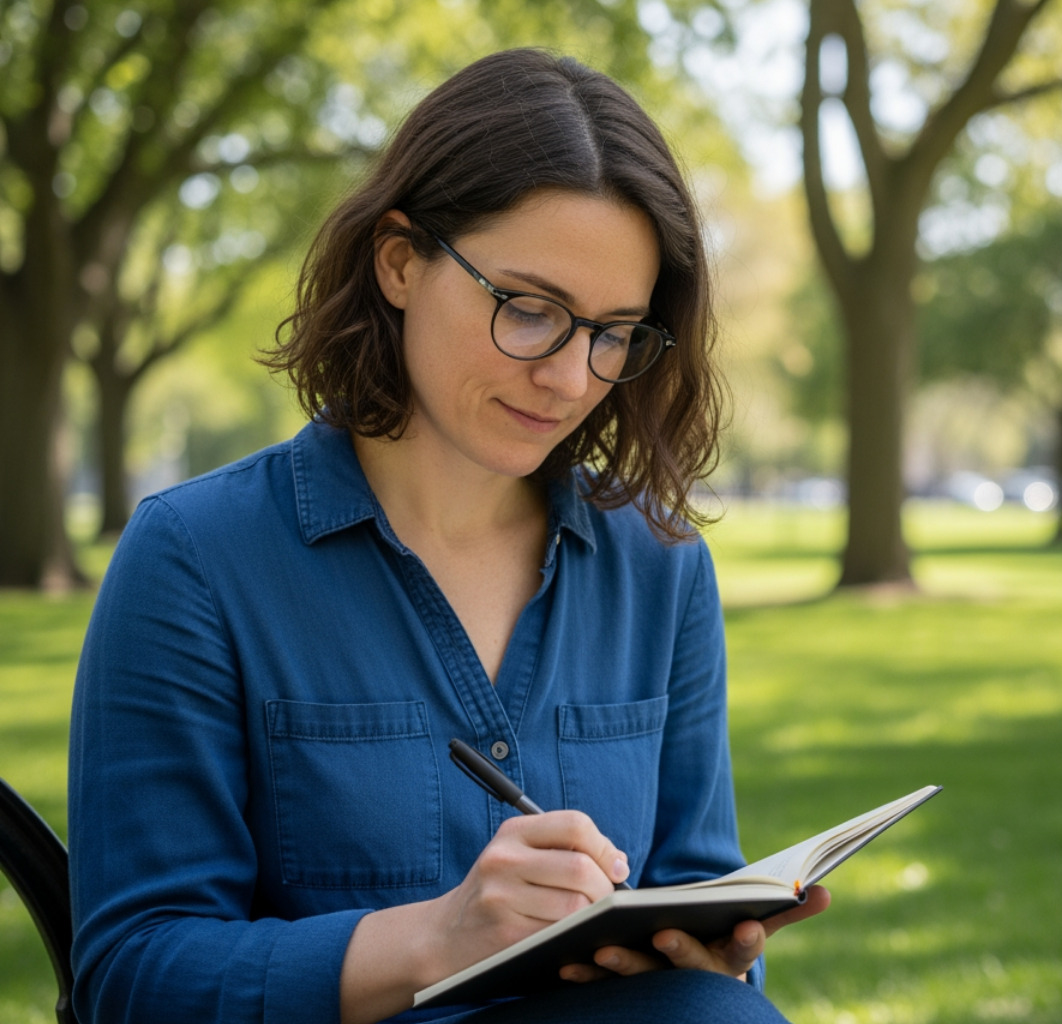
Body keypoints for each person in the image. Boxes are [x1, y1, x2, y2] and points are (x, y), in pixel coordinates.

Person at [67, 48, 828, 1024]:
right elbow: (133, 975)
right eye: (530, 310)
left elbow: (696, 892)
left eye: (612, 333)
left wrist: (715, 954)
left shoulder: (661, 566)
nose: (570, 378)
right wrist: (436, 937)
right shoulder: (194, 557)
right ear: (400, 262)